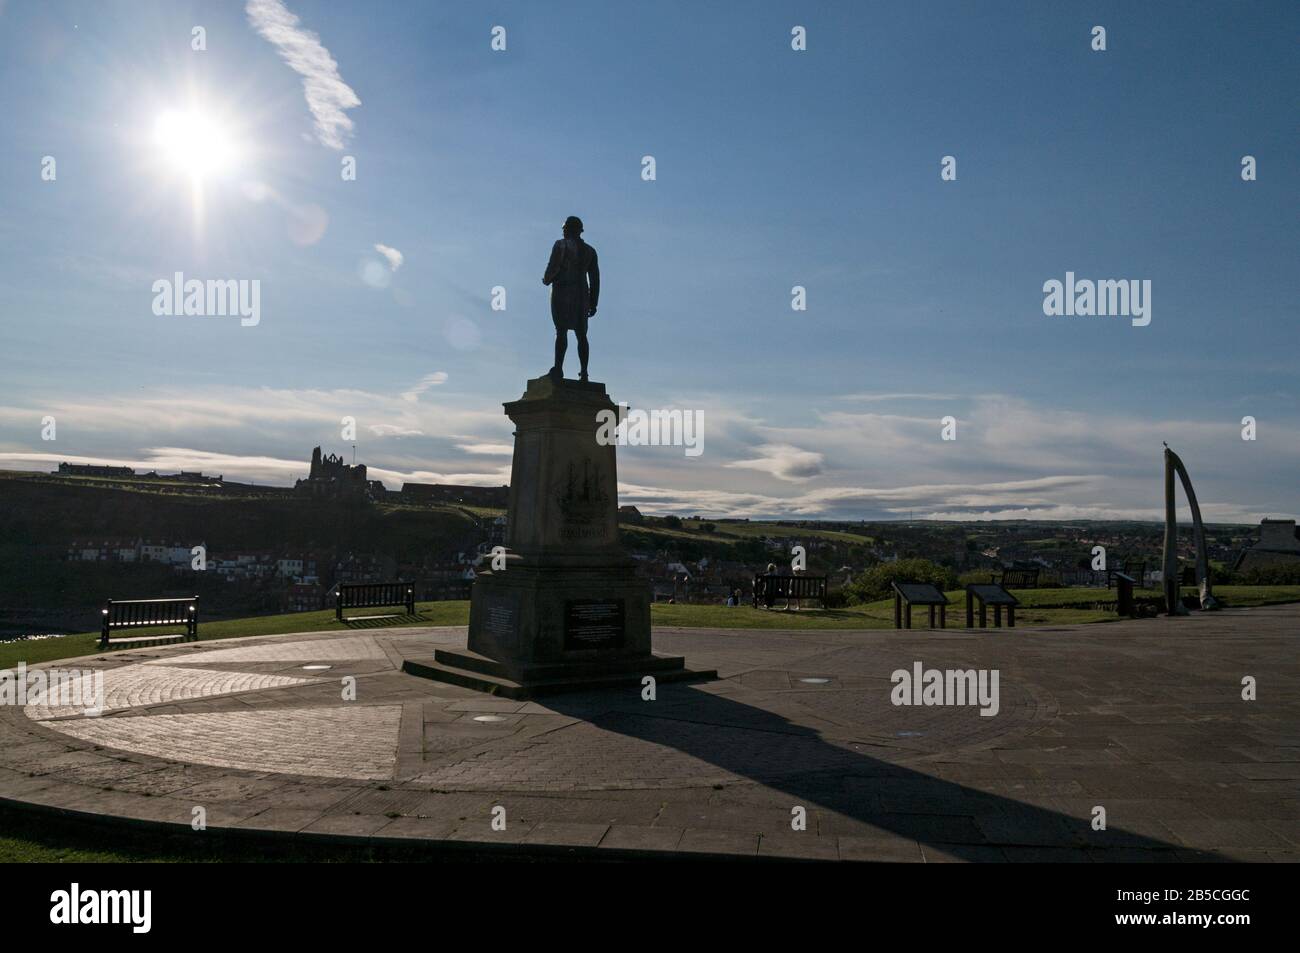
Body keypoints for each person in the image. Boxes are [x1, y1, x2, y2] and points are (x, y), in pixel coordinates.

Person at [542, 215, 599, 380]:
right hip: (582, 294)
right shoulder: (590, 251)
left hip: (562, 290)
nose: (563, 230)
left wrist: (546, 279)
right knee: (582, 334)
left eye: (565, 228)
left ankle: (558, 369)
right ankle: (584, 372)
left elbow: (552, 266)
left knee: (561, 331)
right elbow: (595, 279)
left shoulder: (561, 245)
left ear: (569, 229)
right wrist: (593, 302)